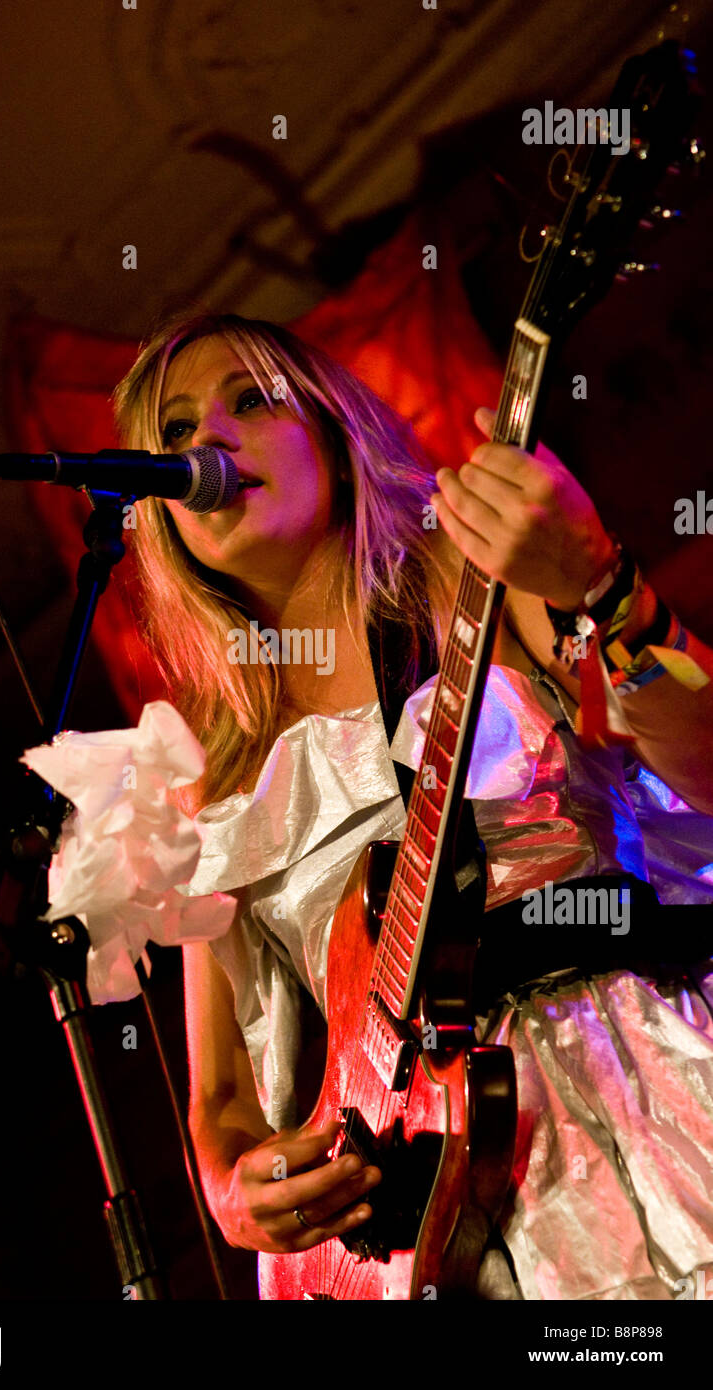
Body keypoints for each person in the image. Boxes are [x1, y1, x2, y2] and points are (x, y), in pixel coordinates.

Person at [112, 311, 713, 1300]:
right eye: (173, 432)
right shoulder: (205, 785)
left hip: (633, 1083)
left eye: (250, 401)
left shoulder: (474, 583)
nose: (205, 443)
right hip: (415, 1222)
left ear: (337, 437)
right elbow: (217, 1107)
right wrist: (234, 1191)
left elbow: (702, 777)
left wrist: (604, 590)